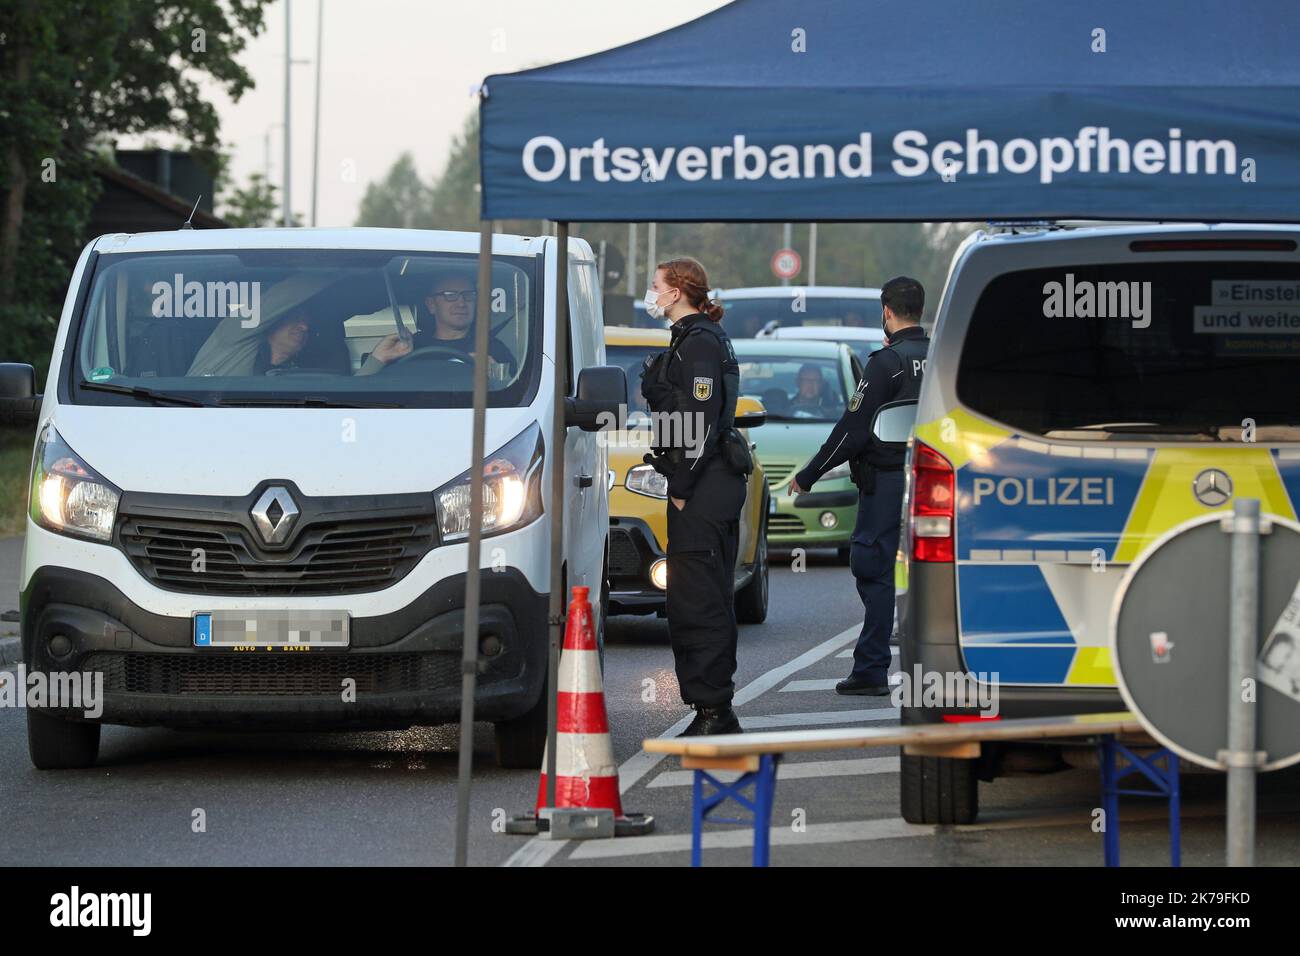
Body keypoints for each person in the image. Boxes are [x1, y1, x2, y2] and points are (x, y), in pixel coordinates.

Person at [790, 276, 930, 695]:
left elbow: (853, 429)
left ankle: (871, 670)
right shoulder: (941, 355)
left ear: (887, 311)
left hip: (887, 483)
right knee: (935, 570)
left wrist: (809, 474)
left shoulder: (885, 363)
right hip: (934, 481)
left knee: (873, 567)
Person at [640, 257, 748, 736]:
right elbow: (681, 410)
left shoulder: (699, 342)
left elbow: (699, 422)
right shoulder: (690, 338)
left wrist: (681, 486)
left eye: (656, 286)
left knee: (699, 602)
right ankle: (709, 707)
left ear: (678, 290)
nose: (651, 293)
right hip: (702, 486)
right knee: (693, 598)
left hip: (702, 489)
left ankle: (714, 712)